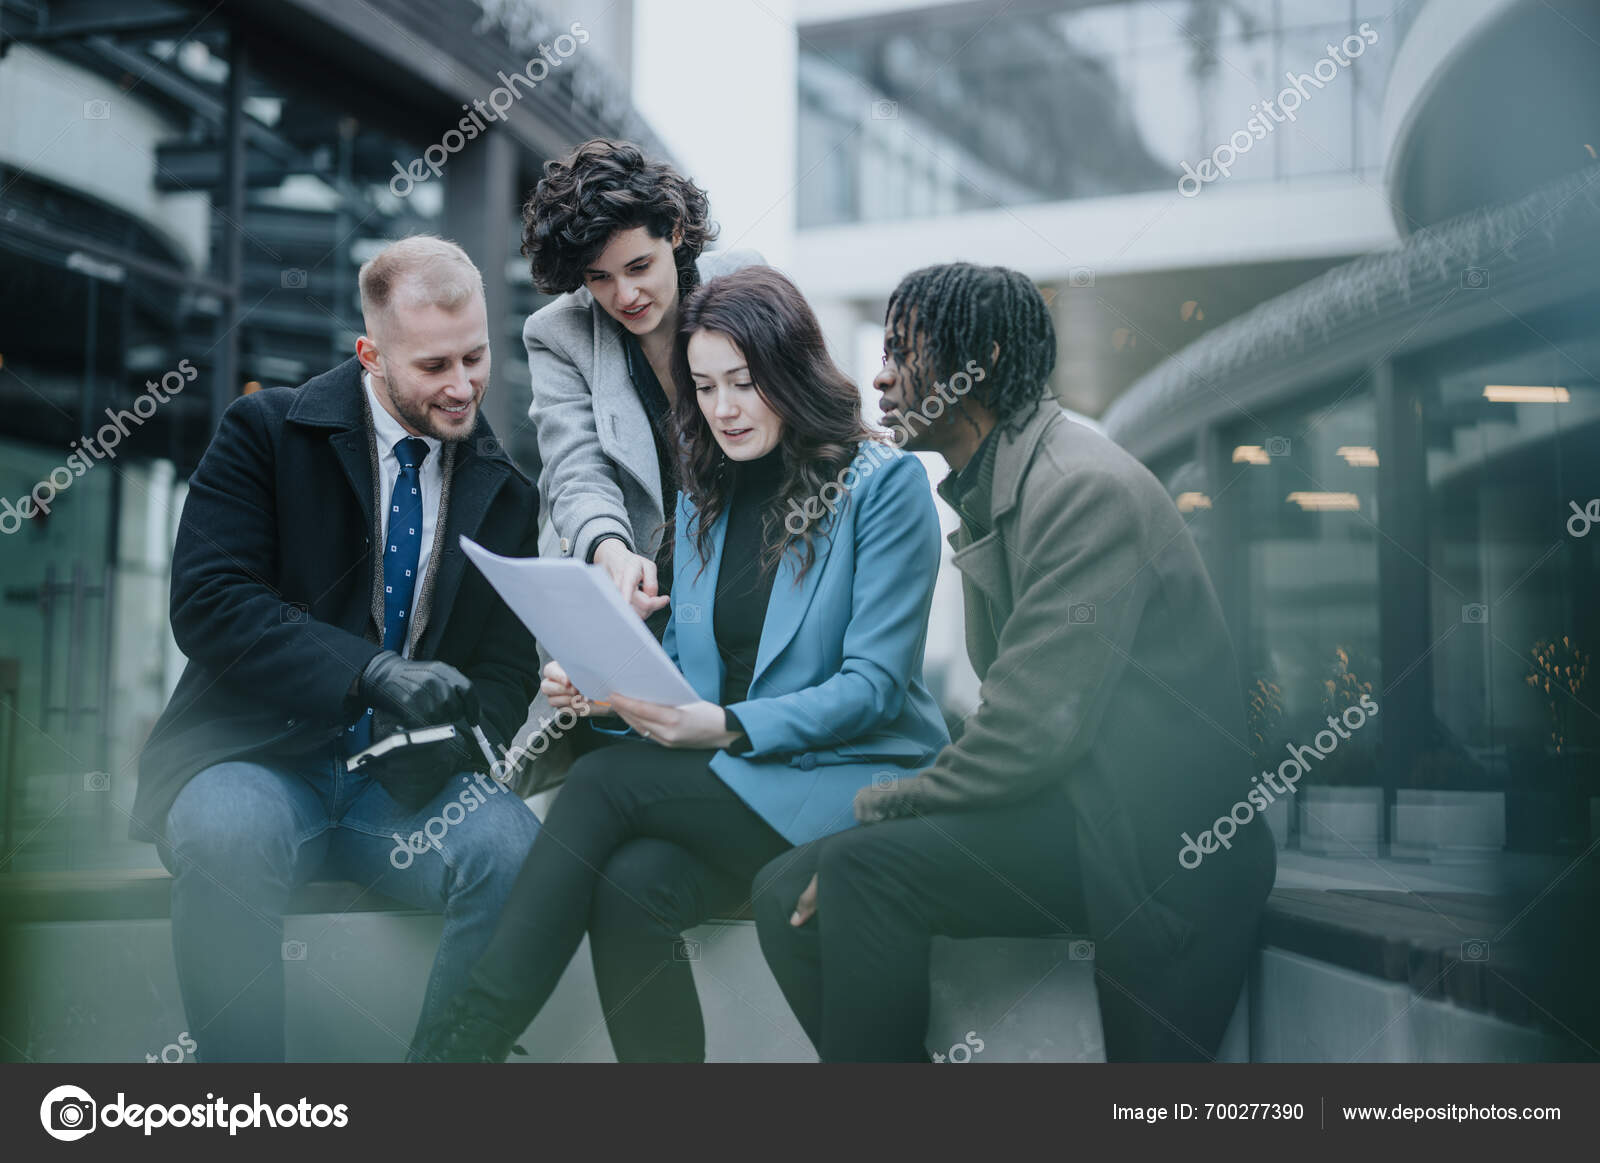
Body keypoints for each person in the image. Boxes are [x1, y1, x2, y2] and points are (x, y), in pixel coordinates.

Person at [410, 266, 950, 1062]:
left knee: (600, 784)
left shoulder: (884, 486)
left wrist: (726, 725)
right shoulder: (705, 496)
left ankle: (464, 1042)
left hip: (851, 779)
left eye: (744, 382)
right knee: (631, 884)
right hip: (744, 784)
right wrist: (604, 692)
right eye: (703, 386)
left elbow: (871, 690)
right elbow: (686, 680)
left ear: (792, 371)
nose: (723, 408)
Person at [753, 262, 1277, 1062]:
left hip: (1153, 843)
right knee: (782, 890)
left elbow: (1028, 732)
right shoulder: (994, 486)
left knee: (861, 867)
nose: (881, 376)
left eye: (904, 351)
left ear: (983, 361)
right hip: (1076, 806)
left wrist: (878, 806)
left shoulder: (1079, 489)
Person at [133, 236, 544, 1062]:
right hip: (253, 759)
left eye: (475, 356)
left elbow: (506, 667)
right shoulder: (264, 431)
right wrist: (372, 672)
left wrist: (462, 744)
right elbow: (210, 603)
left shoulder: (506, 489)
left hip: (402, 791)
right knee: (226, 834)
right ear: (371, 355)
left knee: (515, 852)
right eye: (433, 365)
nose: (462, 385)